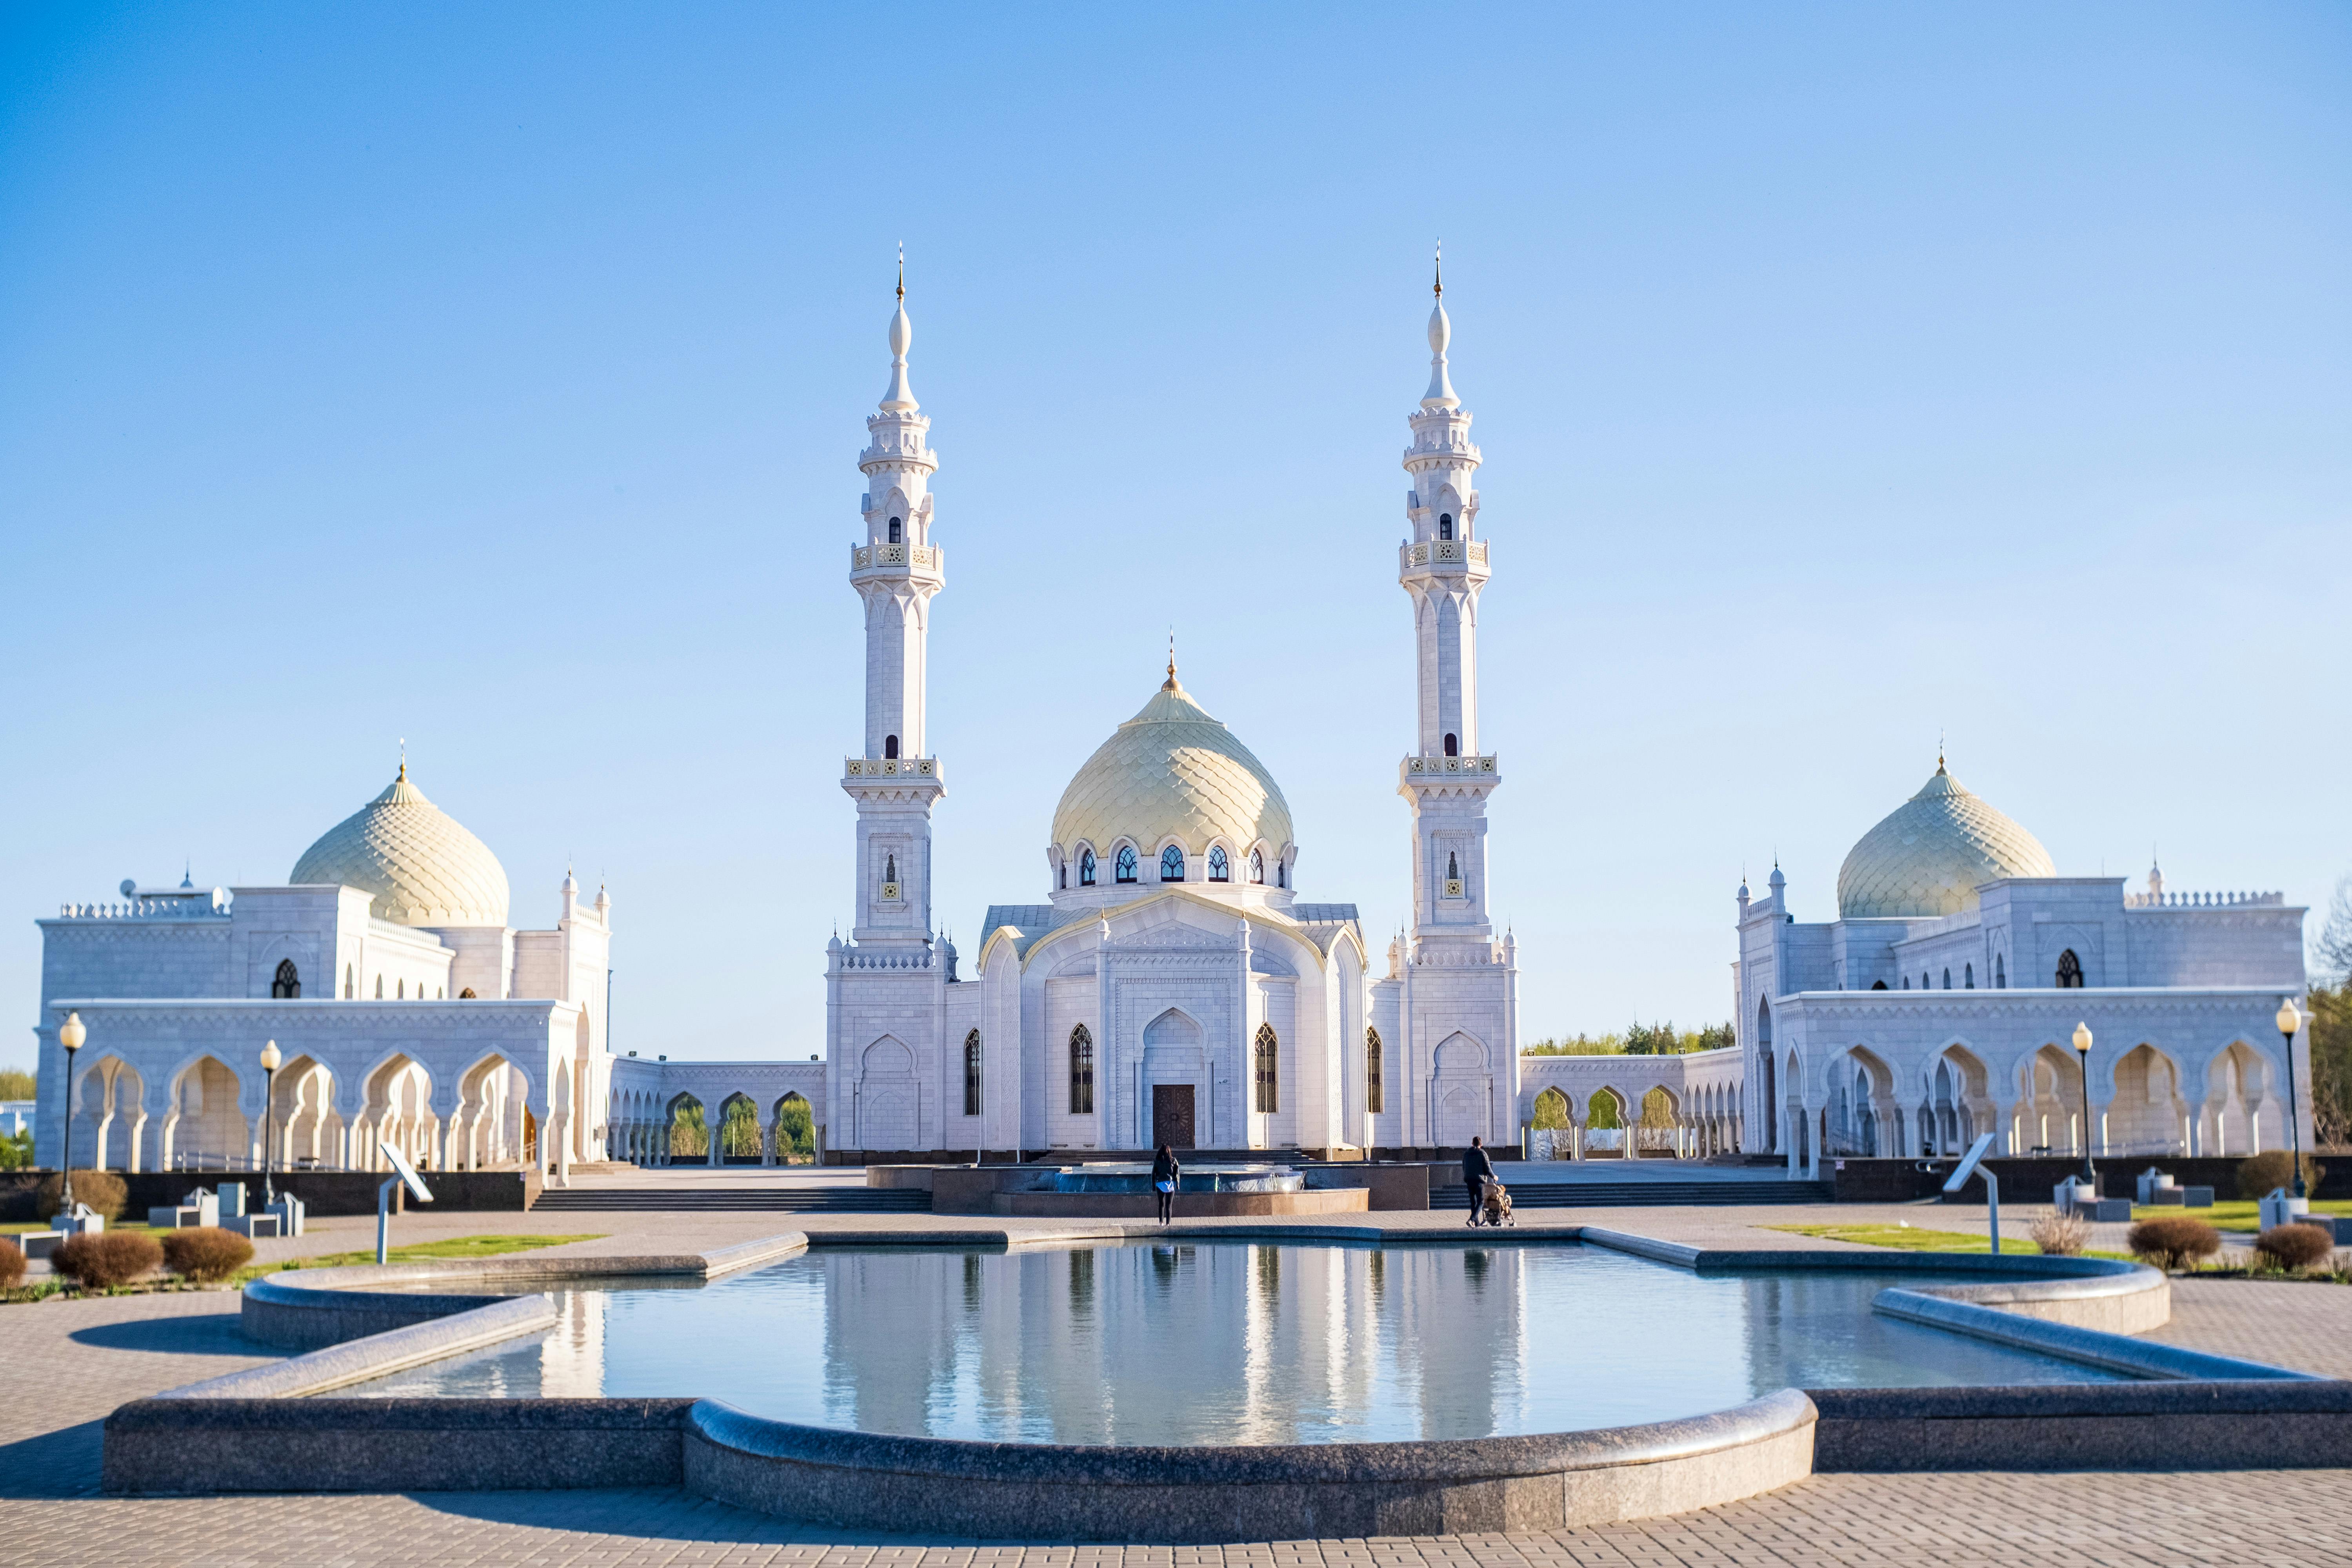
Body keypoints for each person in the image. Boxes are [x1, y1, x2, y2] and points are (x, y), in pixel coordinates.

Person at [1461, 1135, 1496, 1227]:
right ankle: (1472, 1219)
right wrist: (1494, 1177)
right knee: (1481, 1201)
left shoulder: (1466, 1154)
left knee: (1473, 1202)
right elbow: (1488, 1168)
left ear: (1472, 1144)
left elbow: (1464, 1167)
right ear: (1481, 1144)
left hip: (1469, 1180)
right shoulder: (1483, 1154)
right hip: (1479, 1181)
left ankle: (1476, 1224)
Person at [1151, 1142, 1181, 1225]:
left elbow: (1153, 1174)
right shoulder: (1173, 1160)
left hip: (1160, 1185)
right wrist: (1177, 1184)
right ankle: (1168, 1224)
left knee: (1161, 1204)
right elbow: (1177, 1173)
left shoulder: (1157, 1161)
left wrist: (1154, 1186)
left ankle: (1161, 1223)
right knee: (1169, 1205)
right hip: (1170, 1185)